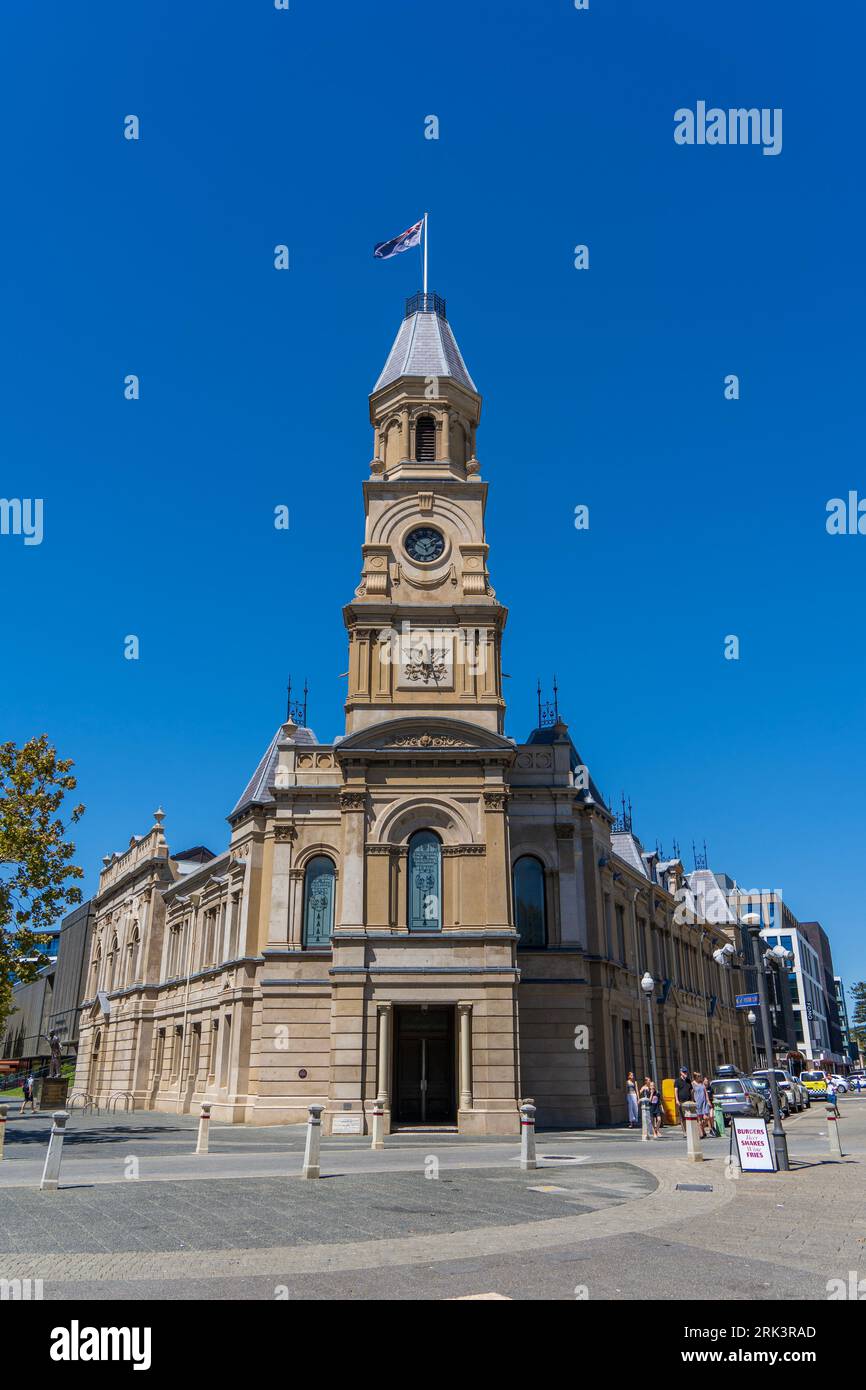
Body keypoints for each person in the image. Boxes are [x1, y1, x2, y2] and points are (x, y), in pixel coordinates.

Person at [693, 1071, 711, 1138]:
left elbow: (705, 1093)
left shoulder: (702, 1084)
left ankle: (702, 1129)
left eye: (700, 1076)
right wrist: (693, 1101)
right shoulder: (693, 1084)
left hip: (704, 1103)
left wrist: (708, 1101)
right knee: (699, 1119)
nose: (700, 1077)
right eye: (698, 1076)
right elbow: (692, 1093)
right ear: (695, 1077)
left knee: (706, 1118)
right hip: (697, 1103)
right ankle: (701, 1133)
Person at [675, 1066, 693, 1133]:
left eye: (686, 1072)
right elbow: (676, 1091)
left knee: (689, 1116)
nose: (685, 1073)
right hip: (681, 1101)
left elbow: (691, 1091)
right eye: (684, 1072)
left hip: (689, 1101)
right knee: (683, 1117)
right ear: (681, 1072)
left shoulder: (688, 1081)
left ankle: (689, 1130)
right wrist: (677, 1100)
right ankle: (685, 1131)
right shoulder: (677, 1081)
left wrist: (693, 1099)